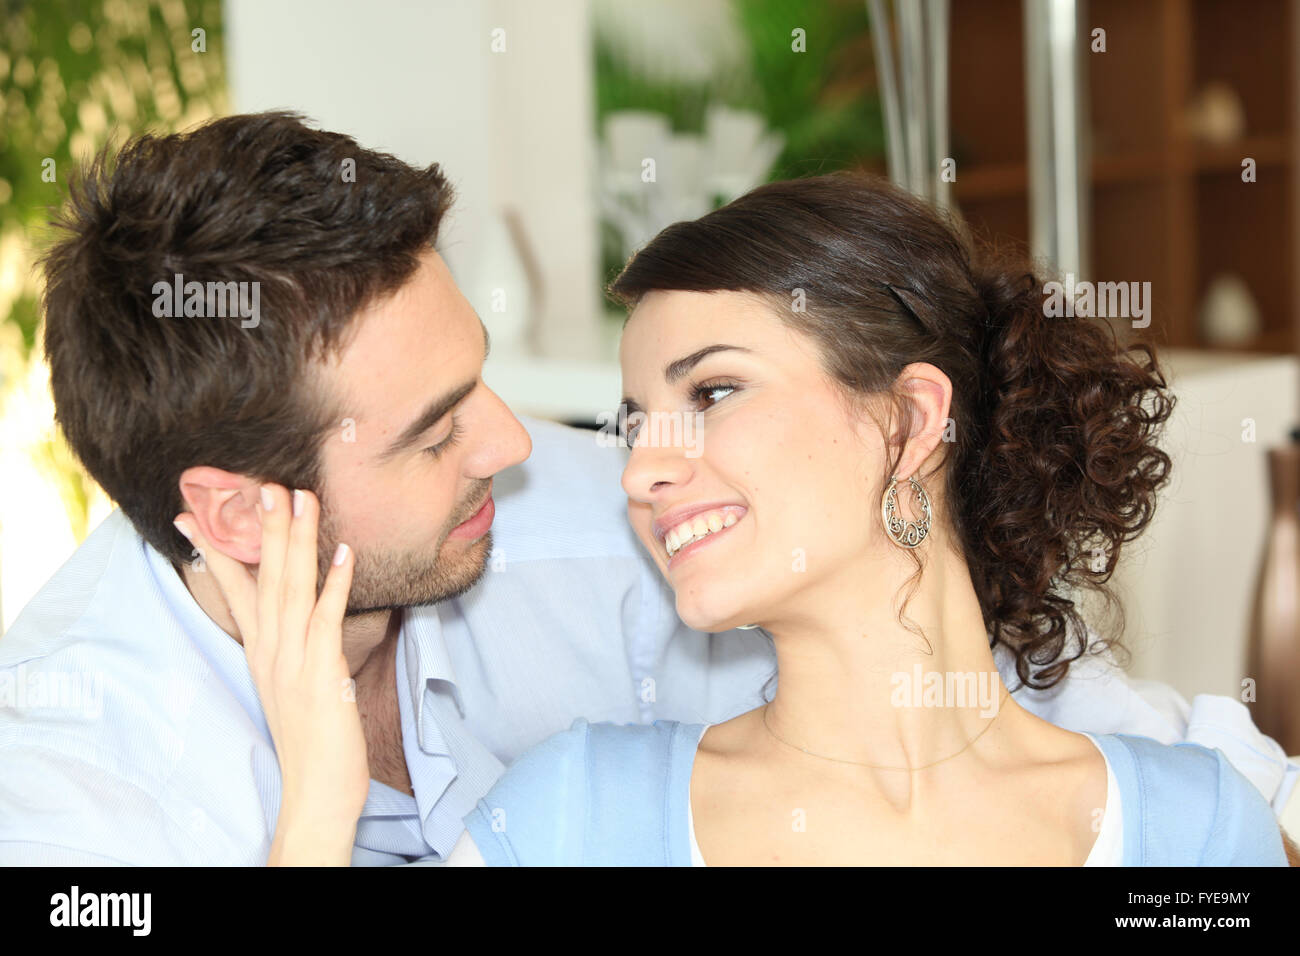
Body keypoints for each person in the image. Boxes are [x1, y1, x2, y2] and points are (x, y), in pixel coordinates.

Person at [4, 113, 1294, 865]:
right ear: (238, 516)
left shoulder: (1181, 833)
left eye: (709, 395)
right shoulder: (67, 779)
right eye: (435, 429)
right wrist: (318, 807)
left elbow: (1080, 724)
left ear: (911, 419)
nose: (527, 445)